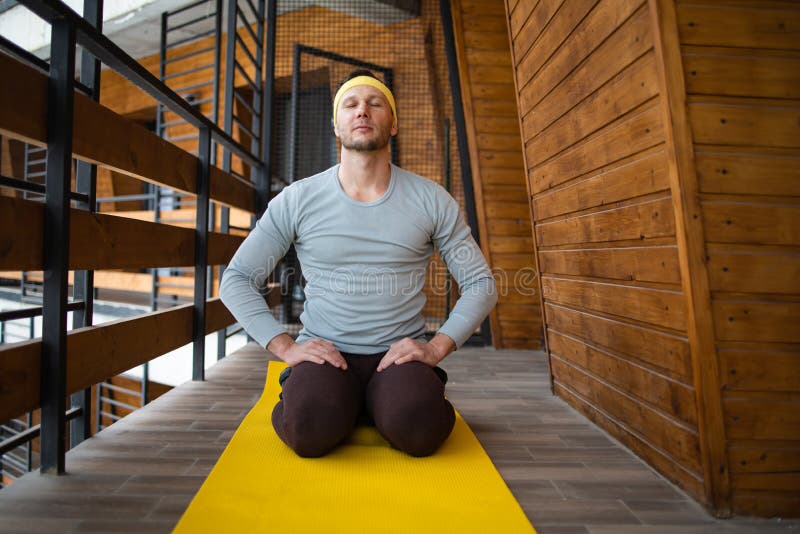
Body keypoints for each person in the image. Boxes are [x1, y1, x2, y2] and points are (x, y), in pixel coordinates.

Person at [219, 70, 497, 458]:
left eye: (375, 103)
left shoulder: (431, 199)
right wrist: (285, 348)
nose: (362, 111)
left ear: (394, 123)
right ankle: (343, 401)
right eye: (351, 104)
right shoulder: (297, 199)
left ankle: (384, 401)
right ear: (336, 125)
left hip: (397, 356)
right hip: (325, 353)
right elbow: (236, 280)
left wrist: (434, 350)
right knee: (307, 428)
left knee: (419, 428)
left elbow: (481, 283)